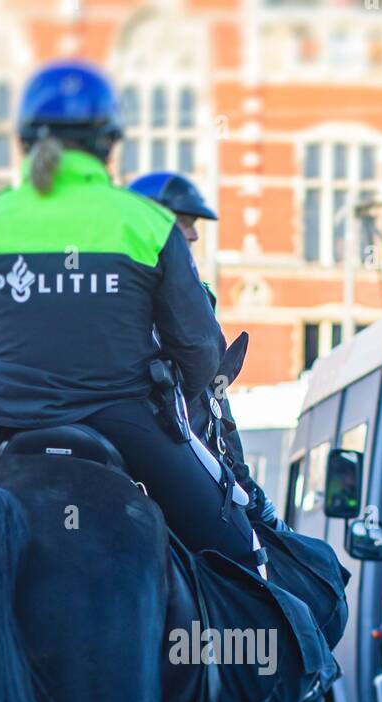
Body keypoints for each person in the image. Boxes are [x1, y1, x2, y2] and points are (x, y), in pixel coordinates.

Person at [0, 61, 260, 571]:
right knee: (238, 551)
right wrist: (174, 400)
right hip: (125, 421)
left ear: (27, 140)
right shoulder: (147, 224)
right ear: (108, 143)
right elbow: (199, 348)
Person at [127, 170, 280, 528]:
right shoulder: (181, 292)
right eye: (183, 223)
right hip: (152, 436)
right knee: (244, 548)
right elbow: (203, 363)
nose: (194, 234)